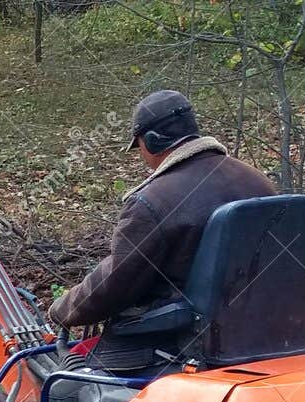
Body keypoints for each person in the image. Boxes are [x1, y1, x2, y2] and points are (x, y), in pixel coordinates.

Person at [48, 91, 276, 330]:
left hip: (190, 339)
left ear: (152, 141)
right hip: (271, 328)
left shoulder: (152, 202)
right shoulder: (257, 180)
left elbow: (116, 283)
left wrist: (63, 309)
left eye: (139, 147)